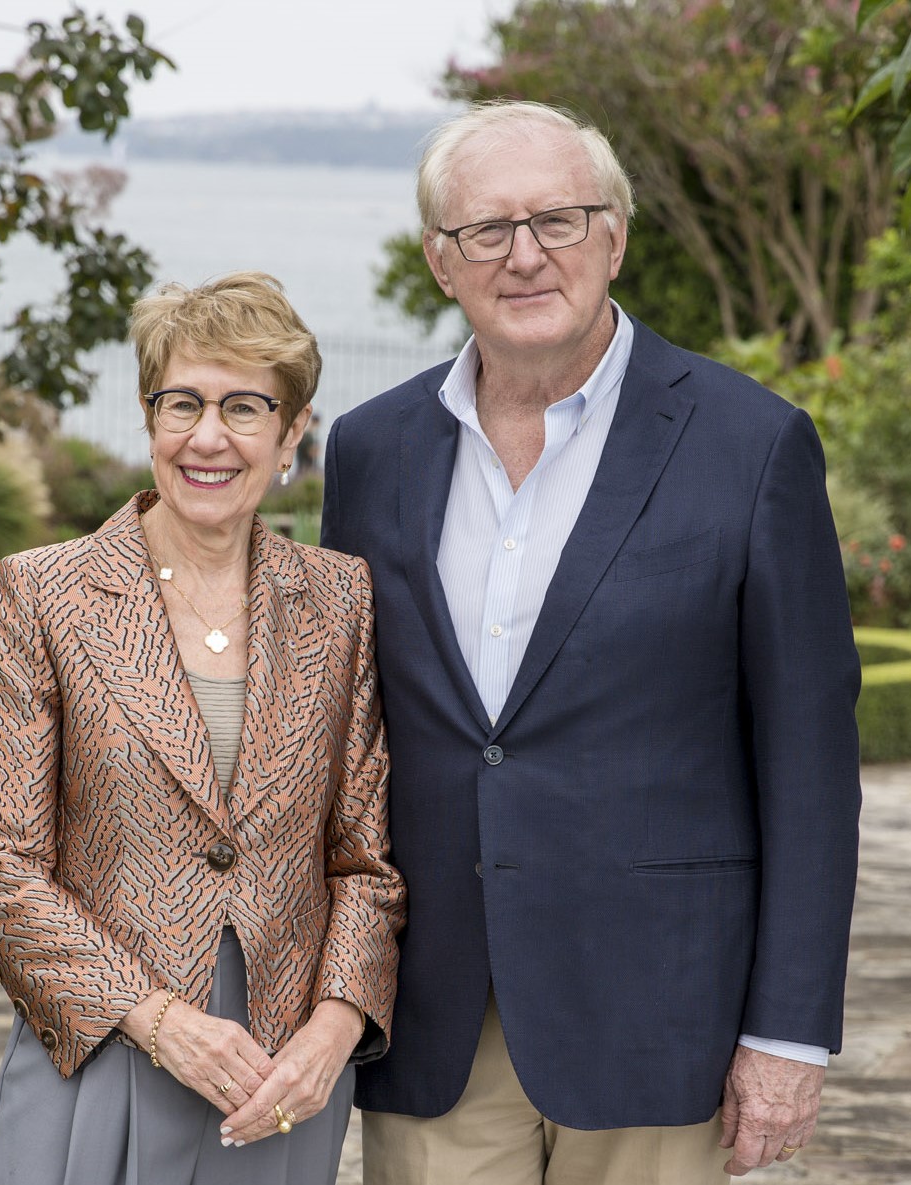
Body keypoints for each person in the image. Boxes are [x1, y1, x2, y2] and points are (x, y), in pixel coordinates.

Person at [320, 102, 861, 1184]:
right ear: (440, 261)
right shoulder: (370, 450)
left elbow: (808, 763)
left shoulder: (751, 444)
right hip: (434, 1023)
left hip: (660, 1022)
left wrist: (787, 1035)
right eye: (486, 230)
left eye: (558, 220)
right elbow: (346, 730)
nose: (524, 255)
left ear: (612, 237)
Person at [0, 271, 405, 1185]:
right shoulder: (45, 593)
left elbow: (364, 859)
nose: (208, 436)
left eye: (244, 406)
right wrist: (156, 1018)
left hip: (277, 1078)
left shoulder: (339, 597)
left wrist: (337, 1022)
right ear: (148, 418)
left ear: (292, 433)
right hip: (103, 1041)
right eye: (181, 402)